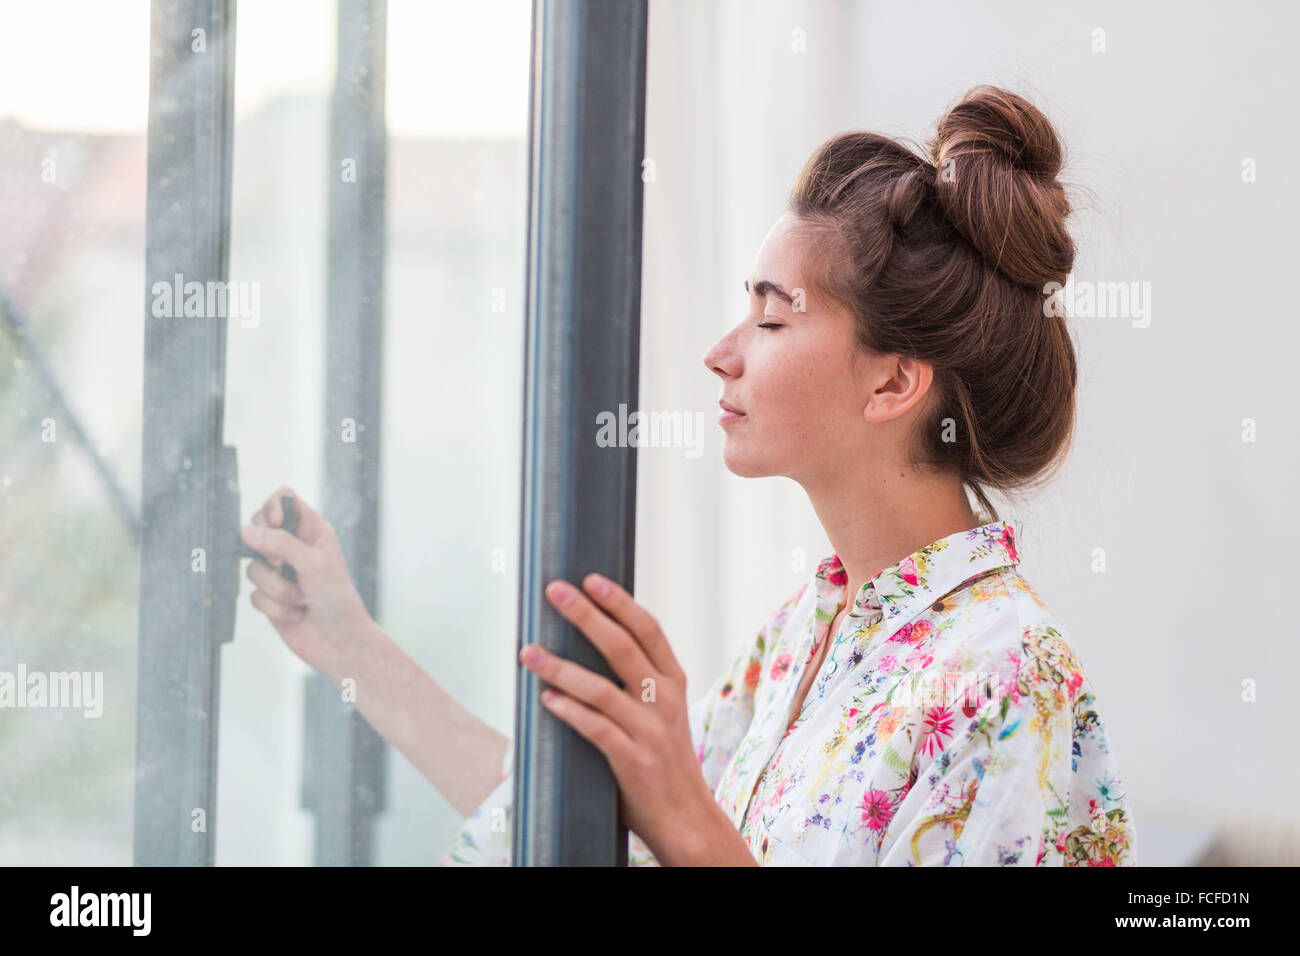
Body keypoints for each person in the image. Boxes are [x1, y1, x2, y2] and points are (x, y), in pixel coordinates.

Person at [242, 84, 1137, 866]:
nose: (721, 355)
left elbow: (671, 823)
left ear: (895, 381)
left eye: (772, 319)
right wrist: (346, 640)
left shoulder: (1011, 678)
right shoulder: (806, 636)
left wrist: (680, 815)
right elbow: (566, 822)